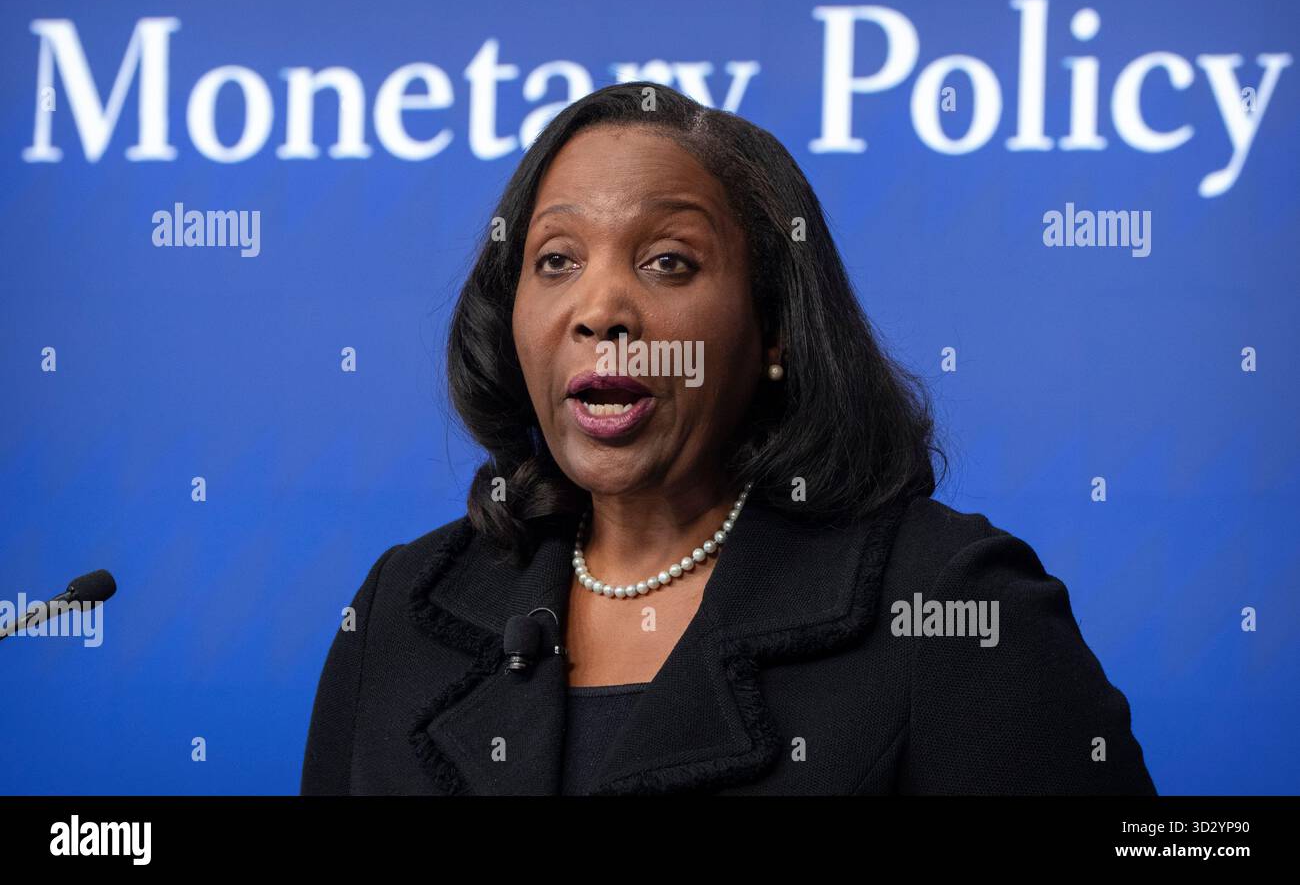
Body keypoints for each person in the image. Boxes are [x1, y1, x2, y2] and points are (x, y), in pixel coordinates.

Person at [300, 81, 1157, 795]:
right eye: (556, 259)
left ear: (774, 327)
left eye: (668, 260)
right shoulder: (399, 613)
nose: (598, 311)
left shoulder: (953, 609)